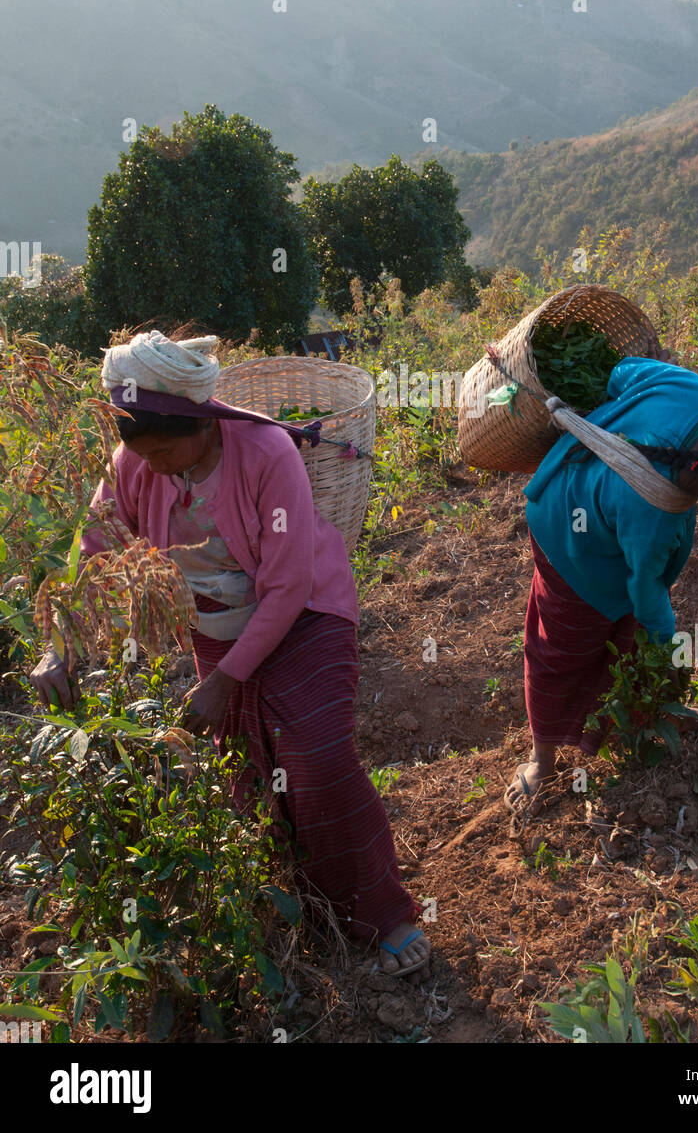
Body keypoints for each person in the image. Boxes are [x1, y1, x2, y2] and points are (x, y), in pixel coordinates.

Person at [30, 330, 430, 977]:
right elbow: (96, 557)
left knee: (316, 758)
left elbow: (288, 584)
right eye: (143, 452)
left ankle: (381, 914)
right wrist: (60, 650)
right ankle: (297, 905)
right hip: (216, 630)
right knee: (245, 773)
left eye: (165, 449)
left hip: (304, 617)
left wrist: (221, 685)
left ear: (199, 421)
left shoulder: (265, 451)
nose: (155, 466)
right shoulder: (133, 463)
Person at [504, 340, 698, 819]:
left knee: (629, 633)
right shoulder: (657, 516)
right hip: (564, 527)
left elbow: (622, 373)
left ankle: (662, 713)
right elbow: (648, 601)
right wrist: (669, 650)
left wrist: (619, 424)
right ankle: (541, 759)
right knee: (564, 647)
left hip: (599, 501)